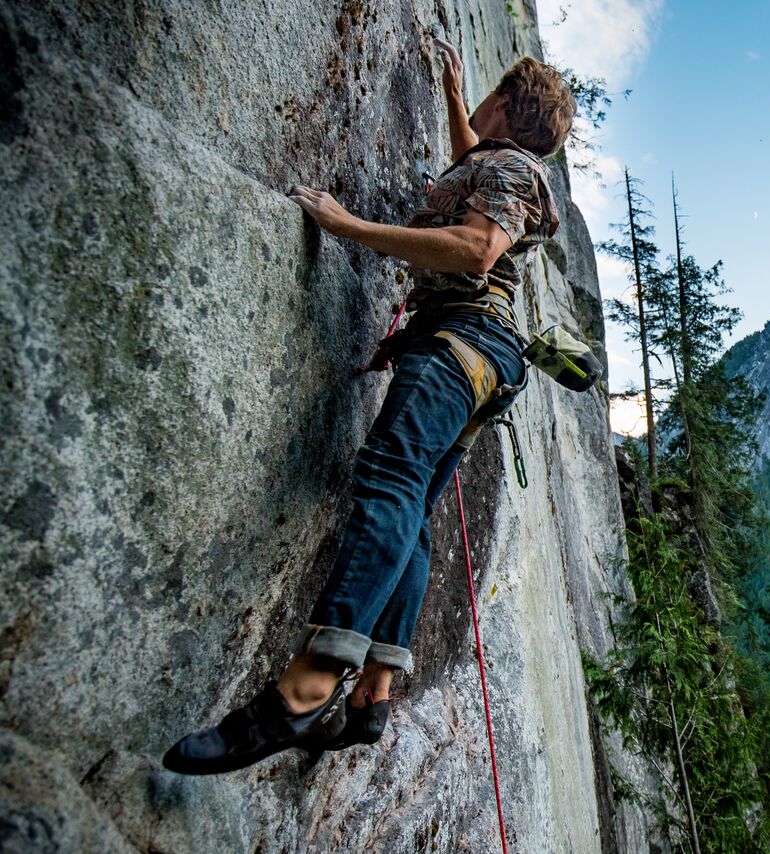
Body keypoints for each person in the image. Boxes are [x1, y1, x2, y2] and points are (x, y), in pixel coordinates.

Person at [162, 41, 576, 775]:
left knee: (389, 477)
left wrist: (347, 225)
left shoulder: (509, 170)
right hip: (486, 355)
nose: (476, 105)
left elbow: (479, 246)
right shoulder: (503, 166)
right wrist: (451, 89)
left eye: (486, 94)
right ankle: (373, 694)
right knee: (411, 513)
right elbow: (474, 168)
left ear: (510, 106)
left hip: (460, 341)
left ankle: (307, 687)